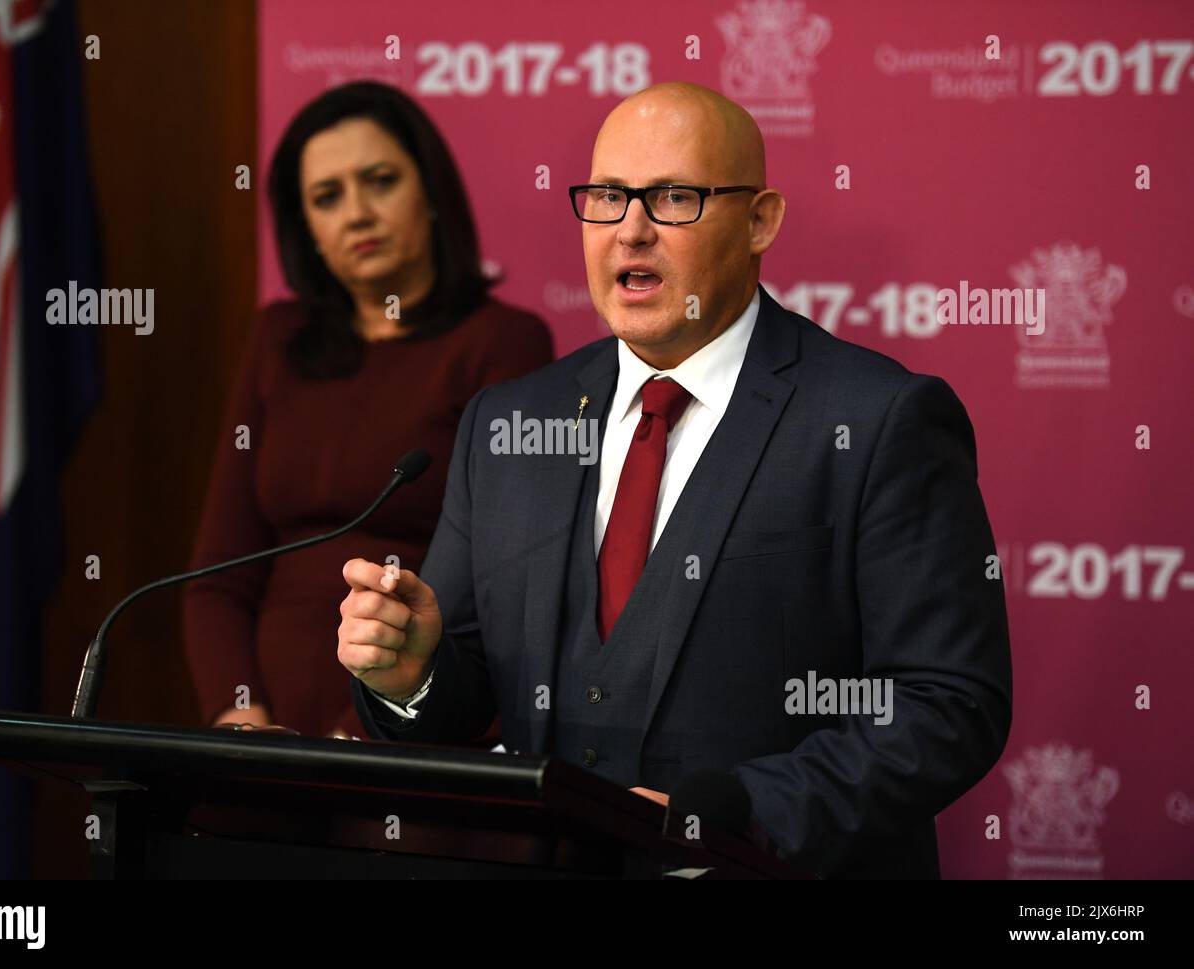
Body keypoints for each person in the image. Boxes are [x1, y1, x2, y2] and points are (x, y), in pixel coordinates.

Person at [335, 82, 1012, 878]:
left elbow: (947, 704)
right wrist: (410, 674)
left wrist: (740, 811)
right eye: (608, 198)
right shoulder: (509, 422)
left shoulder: (879, 418)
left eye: (674, 198)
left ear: (761, 220)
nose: (631, 230)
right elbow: (469, 690)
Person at [184, 81, 553, 739]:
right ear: (308, 231)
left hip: (409, 730)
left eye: (379, 181)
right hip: (257, 743)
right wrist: (238, 717)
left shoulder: (503, 343)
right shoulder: (277, 339)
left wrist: (359, 734)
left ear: (431, 194)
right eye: (327, 197)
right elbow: (219, 576)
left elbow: (499, 587)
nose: (356, 213)